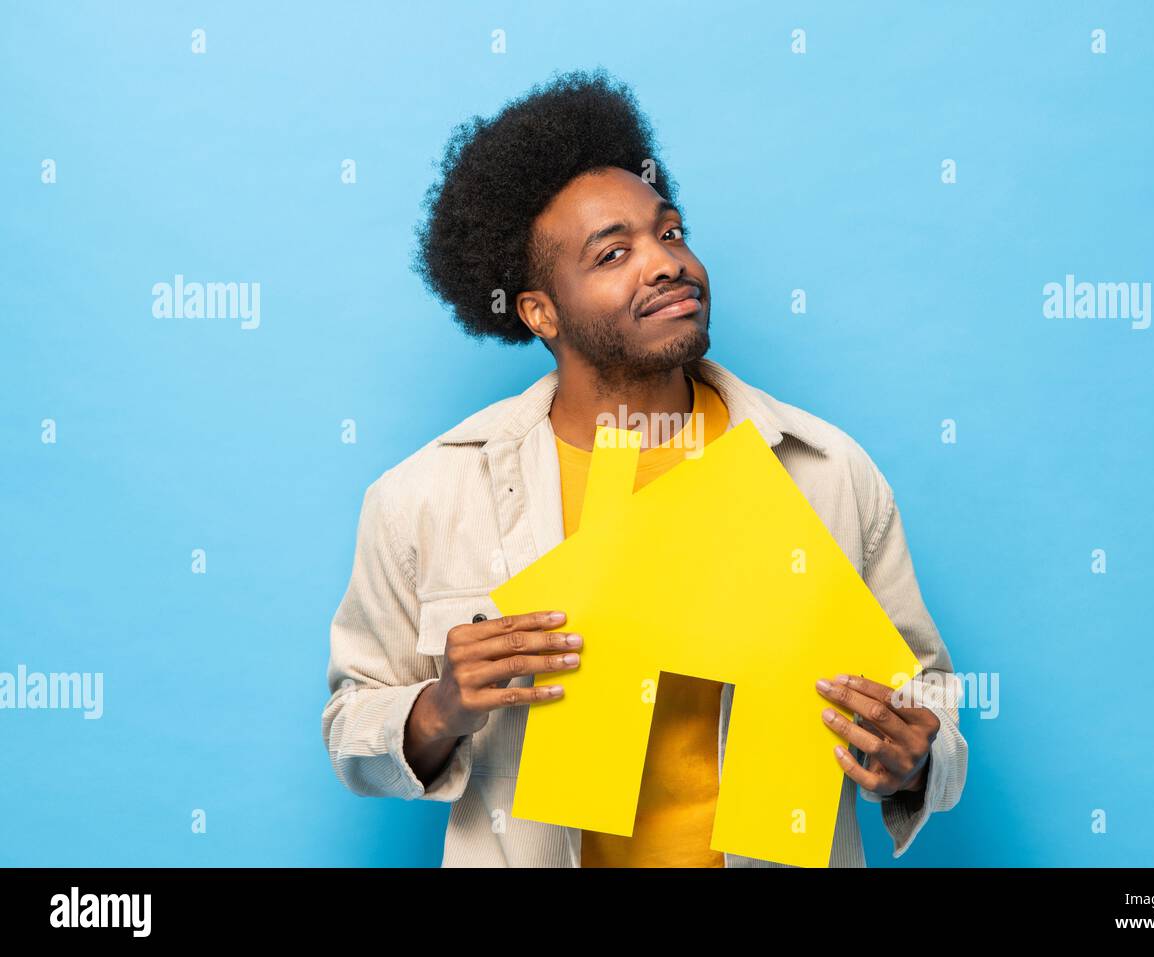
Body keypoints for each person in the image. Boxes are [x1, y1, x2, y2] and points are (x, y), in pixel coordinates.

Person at [321, 67, 967, 867]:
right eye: (613, 253)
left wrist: (915, 755)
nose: (664, 263)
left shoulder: (826, 469)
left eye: (669, 232)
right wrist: (441, 706)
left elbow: (928, 699)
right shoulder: (425, 496)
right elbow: (352, 722)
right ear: (539, 311)